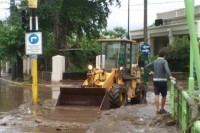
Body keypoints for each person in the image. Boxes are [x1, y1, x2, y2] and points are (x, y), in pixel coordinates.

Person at [144, 50, 175, 114]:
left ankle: (157, 109)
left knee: (156, 94)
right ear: (164, 56)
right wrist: (171, 77)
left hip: (155, 81)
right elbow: (167, 69)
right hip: (163, 81)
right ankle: (162, 108)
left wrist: (151, 72)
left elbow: (146, 67)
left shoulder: (155, 61)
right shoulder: (164, 61)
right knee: (164, 95)